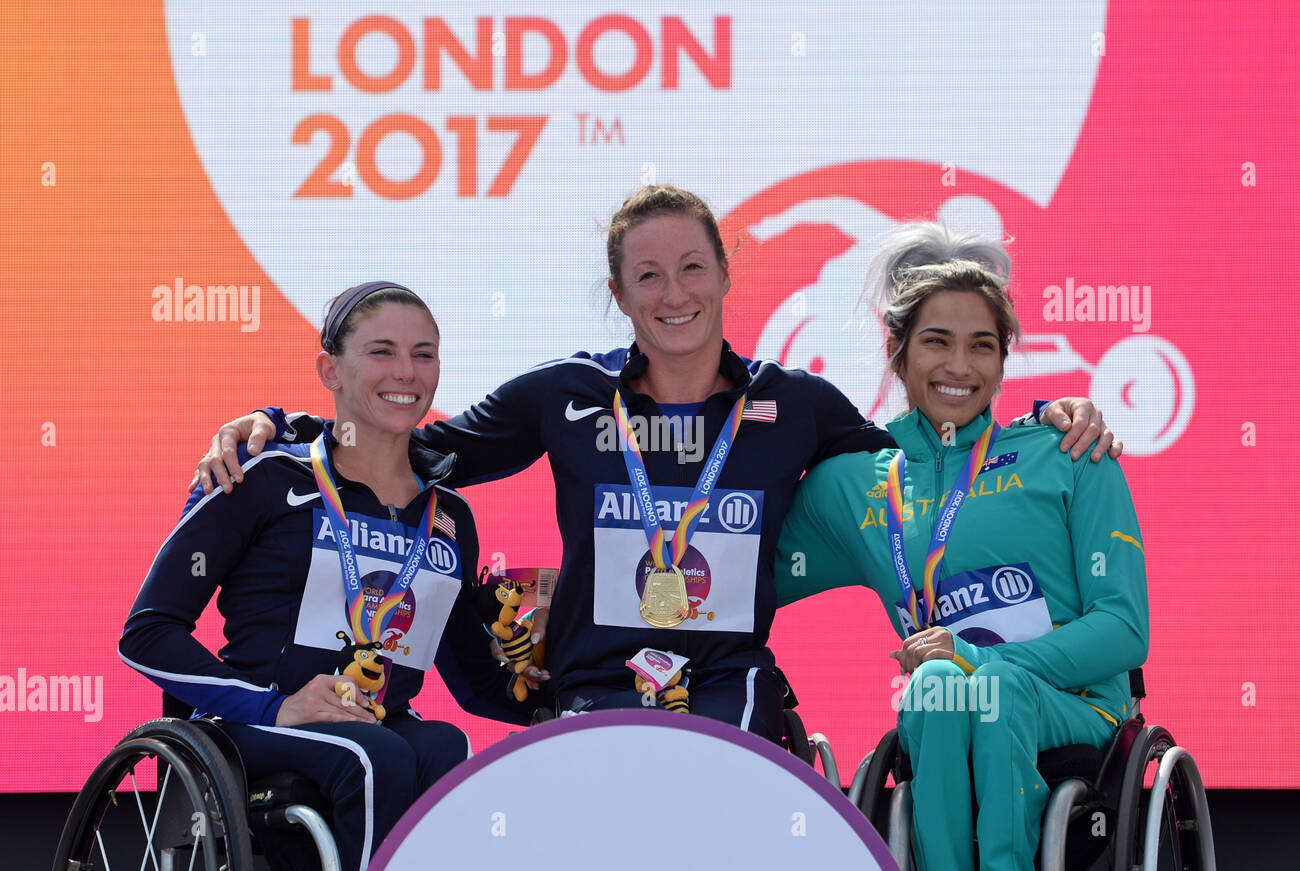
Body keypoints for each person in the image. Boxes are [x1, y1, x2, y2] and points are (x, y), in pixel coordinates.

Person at [190, 186, 1119, 744]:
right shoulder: (563, 395)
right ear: (619, 294)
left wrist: (1042, 424)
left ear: (725, 272)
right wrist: (283, 423)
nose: (674, 294)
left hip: (726, 679)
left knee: (711, 789)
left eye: (691, 269)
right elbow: (414, 445)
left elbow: (924, 457)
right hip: (592, 680)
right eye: (648, 277)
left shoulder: (794, 404)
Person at [121, 283, 537, 871]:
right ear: (330, 370)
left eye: (423, 354)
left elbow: (474, 679)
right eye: (381, 351)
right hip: (255, 720)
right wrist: (276, 706)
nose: (406, 371)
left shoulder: (448, 517)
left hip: (377, 725)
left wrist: (560, 691)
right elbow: (146, 633)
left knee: (448, 746)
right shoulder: (263, 478)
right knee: (375, 758)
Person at [774, 223, 1148, 871]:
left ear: (1003, 359)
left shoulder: (1069, 451)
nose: (959, 366)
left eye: (982, 344)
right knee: (938, 685)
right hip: (943, 705)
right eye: (936, 341)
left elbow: (1124, 628)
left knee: (985, 682)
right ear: (897, 351)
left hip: (1078, 708)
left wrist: (978, 657)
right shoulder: (852, 482)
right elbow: (736, 575)